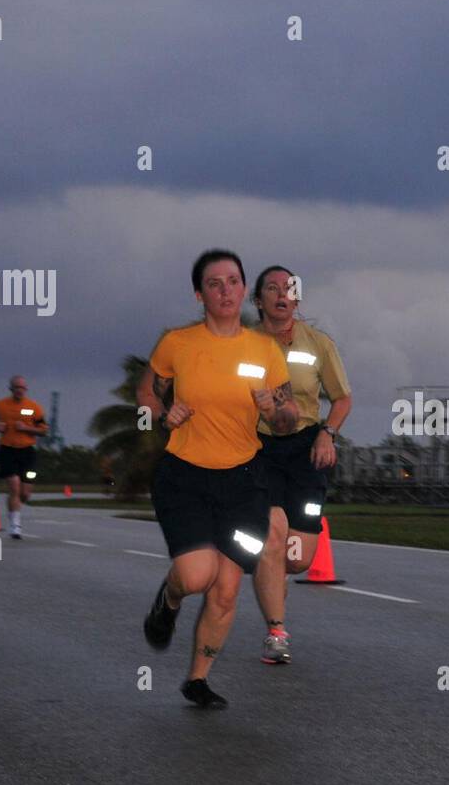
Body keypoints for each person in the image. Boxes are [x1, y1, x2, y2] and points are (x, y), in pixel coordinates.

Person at [138, 249, 299, 708]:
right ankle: (167, 601)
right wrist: (164, 415)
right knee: (195, 576)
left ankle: (198, 679)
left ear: (243, 290)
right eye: (214, 283)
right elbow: (145, 395)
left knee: (227, 589)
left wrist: (274, 410)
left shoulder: (264, 350)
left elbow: (289, 417)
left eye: (232, 281)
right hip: (184, 477)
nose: (225, 290)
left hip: (245, 483)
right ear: (199, 294)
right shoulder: (177, 344)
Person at [247, 266, 353, 664]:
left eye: (288, 289)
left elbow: (342, 398)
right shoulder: (242, 344)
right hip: (257, 449)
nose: (280, 294)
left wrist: (328, 433)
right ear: (258, 300)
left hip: (307, 449)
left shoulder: (318, 344)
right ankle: (276, 631)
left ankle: (273, 579)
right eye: (271, 288)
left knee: (297, 559)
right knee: (271, 538)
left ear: (297, 299)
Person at [0, 377, 48, 539]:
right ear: (11, 388)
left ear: (26, 389)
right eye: (17, 387)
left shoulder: (33, 407)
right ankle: (15, 526)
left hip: (27, 452)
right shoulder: (0, 405)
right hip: (7, 450)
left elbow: (44, 430)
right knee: (14, 486)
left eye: (23, 387)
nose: (20, 390)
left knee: (25, 493)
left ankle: (14, 511)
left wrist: (26, 428)